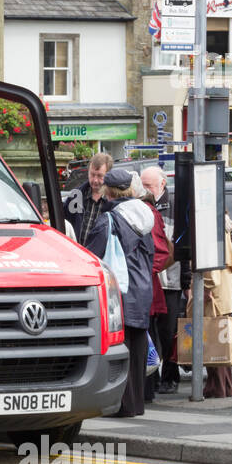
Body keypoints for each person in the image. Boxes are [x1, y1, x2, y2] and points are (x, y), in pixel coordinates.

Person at [85, 169, 154, 417]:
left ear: (109, 191)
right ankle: (136, 405)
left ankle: (121, 405)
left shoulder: (109, 219)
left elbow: (91, 256)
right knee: (137, 349)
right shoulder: (146, 217)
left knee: (119, 350)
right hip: (143, 290)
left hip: (120, 292)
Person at [141, 166, 181, 393]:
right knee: (152, 332)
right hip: (152, 280)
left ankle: (170, 376)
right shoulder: (143, 207)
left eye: (149, 186)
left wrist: (186, 283)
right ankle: (153, 377)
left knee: (169, 332)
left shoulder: (172, 206)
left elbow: (179, 248)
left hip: (170, 280)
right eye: (143, 185)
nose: (146, 190)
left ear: (162, 184)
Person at [197, 212, 232, 398]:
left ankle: (216, 387)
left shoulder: (209, 226)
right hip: (226, 287)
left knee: (212, 340)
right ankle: (226, 386)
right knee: (223, 341)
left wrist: (206, 287)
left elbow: (210, 263)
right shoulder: (223, 222)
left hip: (215, 292)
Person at [141, 180, 172, 402]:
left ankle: (149, 387)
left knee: (149, 338)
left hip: (147, 287)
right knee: (148, 337)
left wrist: (142, 272)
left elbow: (163, 251)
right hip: (145, 287)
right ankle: (148, 386)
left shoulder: (149, 213)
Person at [63, 152, 114, 246]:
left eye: (99, 176)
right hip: (77, 253)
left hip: (100, 258)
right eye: (92, 174)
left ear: (108, 175)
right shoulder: (76, 196)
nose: (94, 180)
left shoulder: (113, 201)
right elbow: (64, 223)